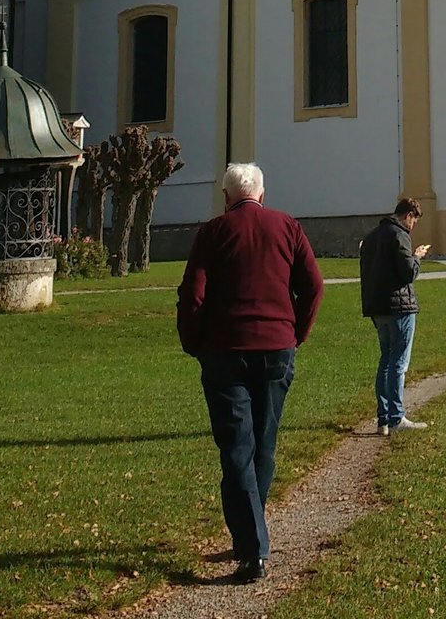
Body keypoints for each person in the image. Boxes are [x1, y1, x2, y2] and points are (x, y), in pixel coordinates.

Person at [177, 162, 324, 585]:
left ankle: (252, 547)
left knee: (237, 447)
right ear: (262, 193)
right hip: (276, 347)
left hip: (226, 351)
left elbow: (193, 292)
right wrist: (296, 332)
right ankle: (250, 536)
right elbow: (313, 285)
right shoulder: (287, 227)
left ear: (226, 197)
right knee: (263, 443)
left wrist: (193, 341)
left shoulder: (214, 232)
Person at [360, 197, 430, 436]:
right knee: (398, 364)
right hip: (399, 307)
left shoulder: (371, 237)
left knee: (386, 361)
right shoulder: (399, 234)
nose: (413, 226)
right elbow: (408, 272)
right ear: (408, 215)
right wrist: (417, 256)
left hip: (377, 308)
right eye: (414, 221)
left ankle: (384, 418)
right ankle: (396, 416)